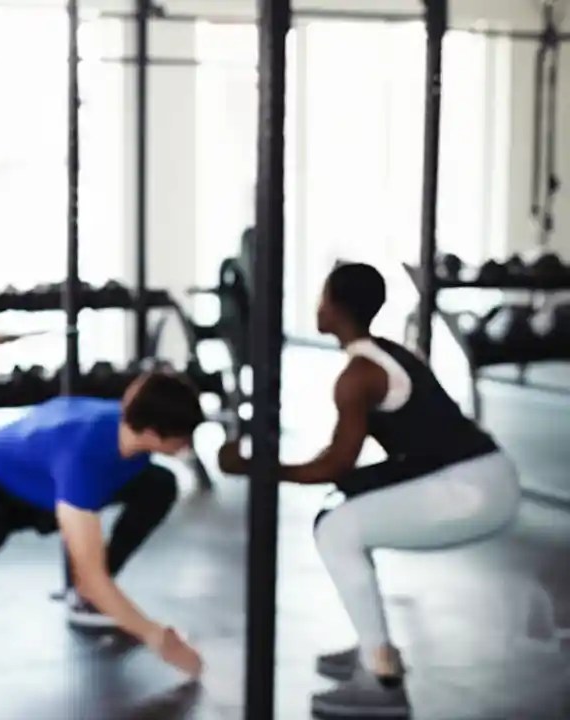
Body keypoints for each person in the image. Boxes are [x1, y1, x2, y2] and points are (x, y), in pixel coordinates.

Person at [218, 262, 521, 720]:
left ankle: (382, 678)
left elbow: (335, 462)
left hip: (473, 487)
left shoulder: (359, 375)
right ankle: (370, 644)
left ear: (335, 307)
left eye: (322, 296)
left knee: (337, 527)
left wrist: (253, 468)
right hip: (479, 475)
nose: (318, 305)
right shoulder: (384, 354)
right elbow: (347, 471)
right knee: (343, 506)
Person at [0, 370, 208, 688]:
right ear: (154, 433)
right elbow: (91, 578)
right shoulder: (83, 458)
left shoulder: (129, 428)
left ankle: (84, 602)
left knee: (159, 484)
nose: (187, 444)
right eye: (183, 436)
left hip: (44, 491)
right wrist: (159, 638)